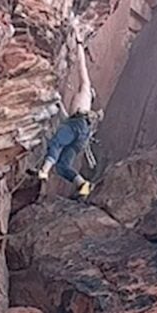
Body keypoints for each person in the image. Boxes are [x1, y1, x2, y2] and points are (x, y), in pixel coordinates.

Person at [32, 41, 103, 198]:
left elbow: (82, 70)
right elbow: (66, 119)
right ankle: (83, 184)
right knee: (62, 166)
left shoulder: (85, 92)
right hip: (81, 133)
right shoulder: (80, 103)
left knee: (56, 142)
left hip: (78, 124)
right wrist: (58, 104)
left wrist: (79, 45)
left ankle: (43, 171)